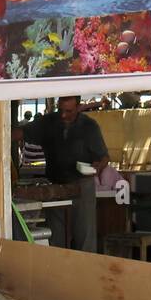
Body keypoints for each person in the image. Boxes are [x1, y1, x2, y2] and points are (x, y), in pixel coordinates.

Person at [14, 96, 109, 252]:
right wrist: (0, 132)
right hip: (56, 185)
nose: (63, 115)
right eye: (61, 110)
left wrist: (98, 166)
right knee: (56, 235)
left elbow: (104, 157)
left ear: (78, 107)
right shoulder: (48, 122)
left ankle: (86, 269)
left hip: (82, 184)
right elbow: (21, 133)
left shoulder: (89, 126)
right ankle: (58, 268)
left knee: (84, 233)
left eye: (69, 111)